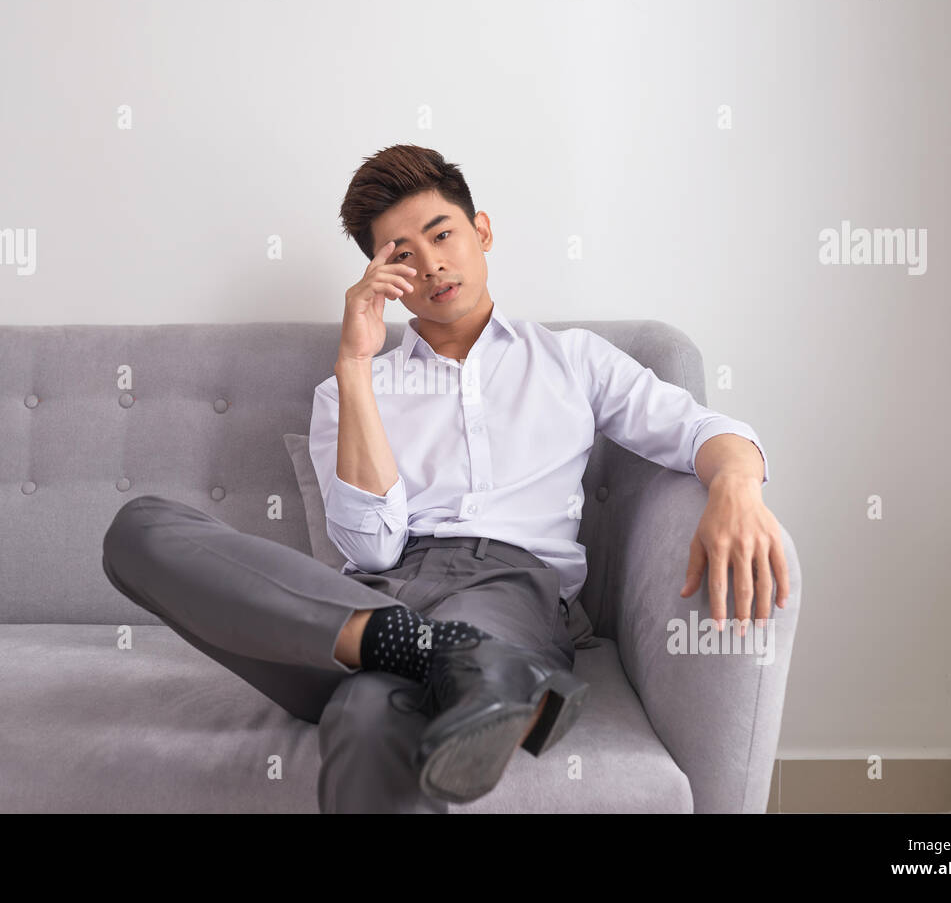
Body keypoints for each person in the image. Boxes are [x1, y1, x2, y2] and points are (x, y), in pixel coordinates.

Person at [102, 143, 791, 813]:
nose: (430, 265)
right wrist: (353, 366)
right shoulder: (348, 389)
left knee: (367, 712)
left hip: (509, 585)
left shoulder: (572, 360)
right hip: (369, 591)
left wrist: (735, 488)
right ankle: (452, 659)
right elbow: (370, 551)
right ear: (382, 275)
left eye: (442, 235)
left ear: (481, 230)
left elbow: (702, 430)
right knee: (140, 530)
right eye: (403, 254)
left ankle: (456, 657)